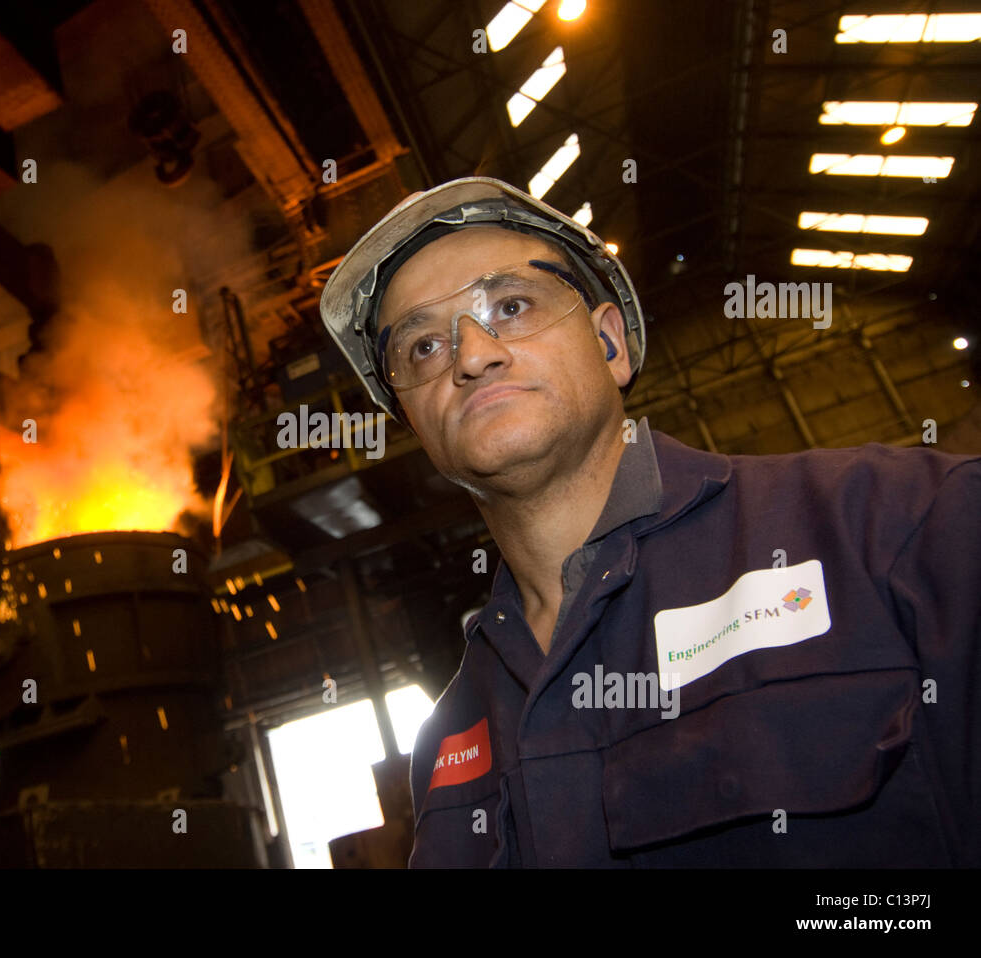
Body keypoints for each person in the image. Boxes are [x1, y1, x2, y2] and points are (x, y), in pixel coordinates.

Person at [318, 176, 981, 867]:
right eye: (423, 347)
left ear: (611, 344)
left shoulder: (899, 527)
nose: (472, 355)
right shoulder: (449, 741)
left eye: (511, 306)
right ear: (412, 420)